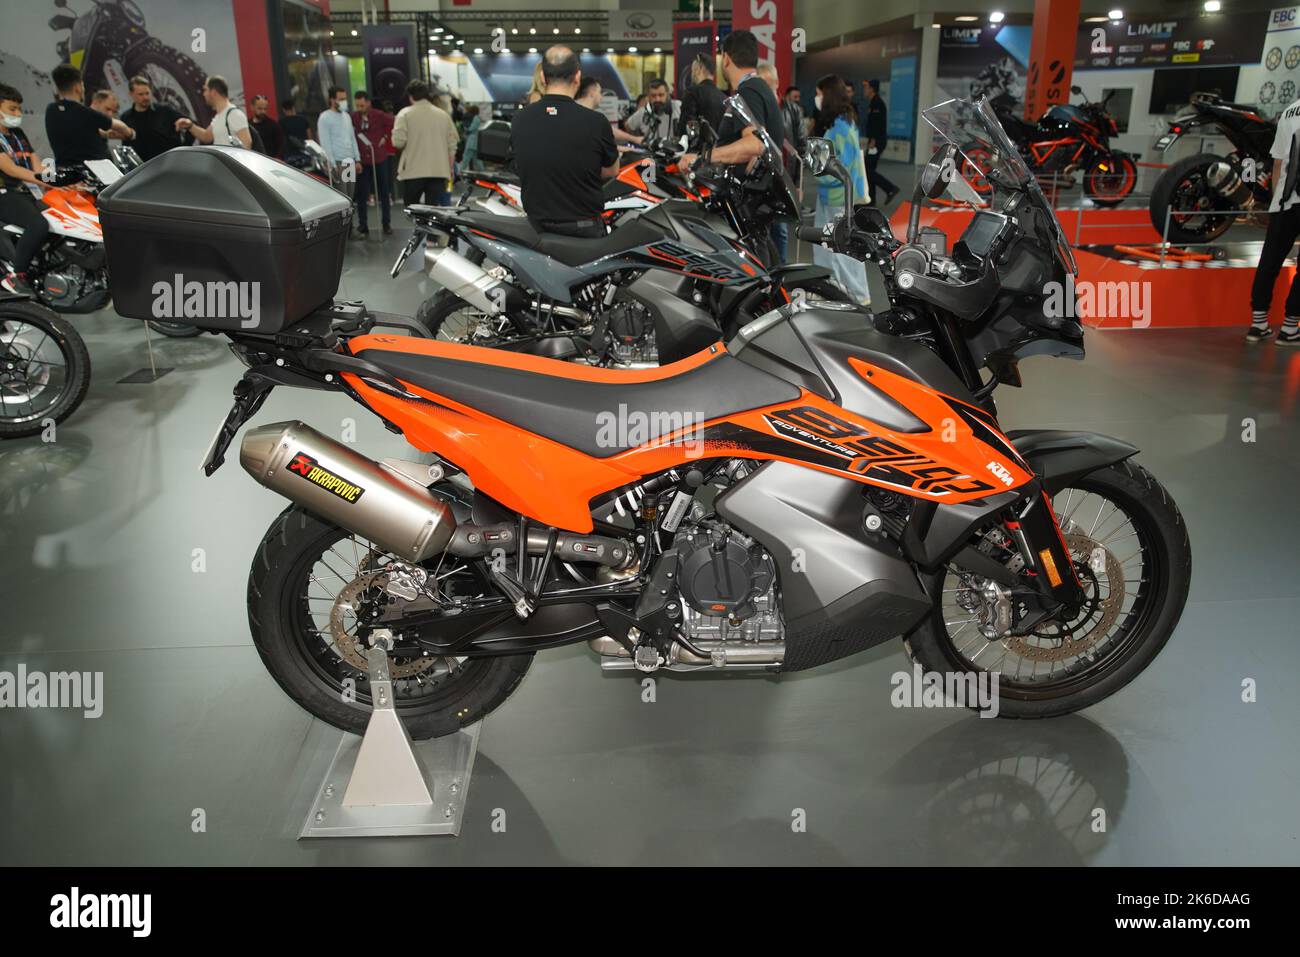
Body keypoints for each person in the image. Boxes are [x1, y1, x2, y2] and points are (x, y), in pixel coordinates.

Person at [510, 45, 618, 238]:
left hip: (535, 232)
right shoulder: (597, 121)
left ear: (543, 77)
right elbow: (612, 170)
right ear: (577, 77)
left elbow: (520, 164)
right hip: (584, 232)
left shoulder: (519, 119)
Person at [681, 30, 783, 171]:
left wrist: (704, 157)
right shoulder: (758, 88)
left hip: (751, 191)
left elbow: (755, 144)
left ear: (726, 58)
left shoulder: (749, 91)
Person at [810, 74, 871, 304]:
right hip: (833, 196)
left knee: (841, 248)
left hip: (836, 197)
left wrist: (817, 171)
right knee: (830, 246)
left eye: (819, 93)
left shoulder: (840, 127)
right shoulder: (842, 123)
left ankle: (858, 294)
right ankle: (833, 290)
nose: (816, 98)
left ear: (828, 95)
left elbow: (840, 168)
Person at [1247, 95, 1300, 344]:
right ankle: (1290, 328)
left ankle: (1258, 324)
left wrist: (1276, 198)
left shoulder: (1289, 112)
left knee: (1269, 261)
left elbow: (1278, 163)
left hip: (1284, 200)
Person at [0, 84, 50, 297]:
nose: (18, 114)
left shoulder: (18, 133)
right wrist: (41, 179)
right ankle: (16, 275)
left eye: (19, 109)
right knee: (39, 224)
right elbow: (10, 169)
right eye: (12, 109)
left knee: (59, 219)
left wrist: (56, 180)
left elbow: (36, 165)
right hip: (5, 194)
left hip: (26, 192)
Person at [45, 64, 136, 165]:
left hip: (65, 173)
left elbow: (82, 131)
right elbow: (118, 125)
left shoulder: (51, 111)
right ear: (78, 87)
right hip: (93, 174)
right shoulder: (85, 113)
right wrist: (131, 134)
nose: (110, 113)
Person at [392, 79, 459, 207]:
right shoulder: (443, 115)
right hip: (438, 171)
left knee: (413, 209)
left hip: (413, 171)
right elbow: (452, 146)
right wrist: (450, 169)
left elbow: (398, 143)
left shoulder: (404, 114)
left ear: (410, 97)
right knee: (432, 210)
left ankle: (417, 227)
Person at [352, 90, 394, 237]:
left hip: (379, 159)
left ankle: (386, 224)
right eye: (357, 105)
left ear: (368, 103)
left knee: (384, 192)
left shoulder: (379, 115)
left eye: (362, 105)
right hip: (362, 161)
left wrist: (385, 136)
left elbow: (393, 123)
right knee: (362, 194)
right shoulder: (353, 117)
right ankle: (363, 225)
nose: (359, 108)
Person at [175, 76, 252, 149]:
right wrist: (190, 126)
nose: (204, 94)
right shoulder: (219, 116)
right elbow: (206, 136)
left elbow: (247, 144)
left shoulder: (234, 114)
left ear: (213, 92)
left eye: (205, 90)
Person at [120, 76, 183, 160]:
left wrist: (183, 149)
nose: (145, 97)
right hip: (142, 166)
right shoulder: (126, 117)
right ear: (131, 94)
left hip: (168, 163)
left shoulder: (165, 111)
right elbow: (126, 145)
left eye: (147, 93)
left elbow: (189, 124)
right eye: (141, 94)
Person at [859, 79, 898, 205]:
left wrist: (873, 142)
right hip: (873, 141)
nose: (864, 90)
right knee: (869, 170)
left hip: (876, 142)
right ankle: (871, 201)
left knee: (867, 170)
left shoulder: (877, 103)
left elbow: (878, 125)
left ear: (872, 89)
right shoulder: (873, 103)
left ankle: (890, 188)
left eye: (866, 87)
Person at [317, 85, 360, 197]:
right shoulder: (325, 117)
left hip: (349, 160)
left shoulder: (347, 116)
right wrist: (332, 164)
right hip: (337, 162)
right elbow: (325, 143)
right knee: (342, 196)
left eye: (345, 99)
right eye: (341, 99)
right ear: (332, 100)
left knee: (350, 196)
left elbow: (352, 138)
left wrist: (357, 159)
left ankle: (351, 215)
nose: (344, 102)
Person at [626, 78, 680, 144]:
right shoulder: (644, 111)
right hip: (650, 152)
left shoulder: (678, 106)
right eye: (653, 96)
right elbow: (628, 126)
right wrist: (638, 137)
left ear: (667, 94)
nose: (657, 99)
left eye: (661, 95)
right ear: (648, 96)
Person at [680, 54, 724, 133]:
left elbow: (685, 129)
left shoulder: (691, 93)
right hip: (721, 145)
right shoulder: (723, 97)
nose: (692, 74)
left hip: (698, 145)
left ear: (700, 68)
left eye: (693, 69)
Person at [460, 104, 482, 170]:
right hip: (476, 141)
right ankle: (482, 171)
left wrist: (466, 129)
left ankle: (461, 171)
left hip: (471, 141)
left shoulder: (476, 118)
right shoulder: (477, 118)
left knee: (466, 157)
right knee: (477, 160)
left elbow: (471, 128)